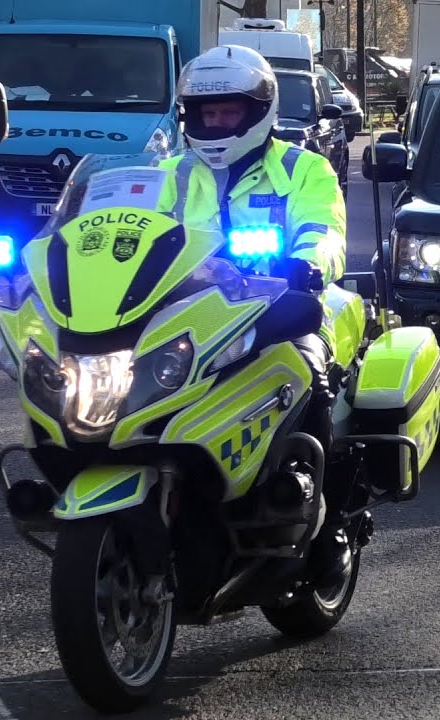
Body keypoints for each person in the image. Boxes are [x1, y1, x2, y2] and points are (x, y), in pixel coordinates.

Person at [158, 44, 349, 589]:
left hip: (279, 310)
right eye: (206, 113)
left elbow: (325, 231)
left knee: (311, 377)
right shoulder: (166, 175)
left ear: (257, 111)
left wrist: (306, 262)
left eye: (229, 112)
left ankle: (324, 518)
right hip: (186, 317)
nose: (216, 122)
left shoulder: (302, 169)